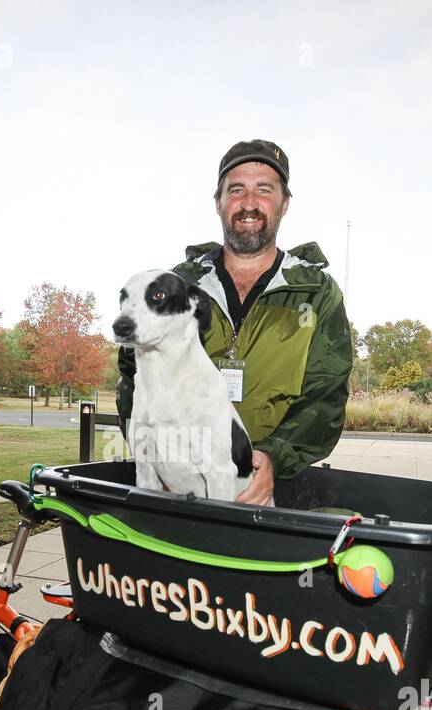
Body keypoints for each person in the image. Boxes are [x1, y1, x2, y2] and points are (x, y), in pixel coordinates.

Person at [116, 139, 353, 505]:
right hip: (176, 492)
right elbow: (133, 376)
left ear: (284, 203)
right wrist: (151, 456)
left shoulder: (317, 293)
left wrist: (274, 457)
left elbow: (326, 395)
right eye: (236, 189)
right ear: (219, 202)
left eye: (264, 190)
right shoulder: (177, 287)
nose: (249, 203)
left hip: (273, 487)